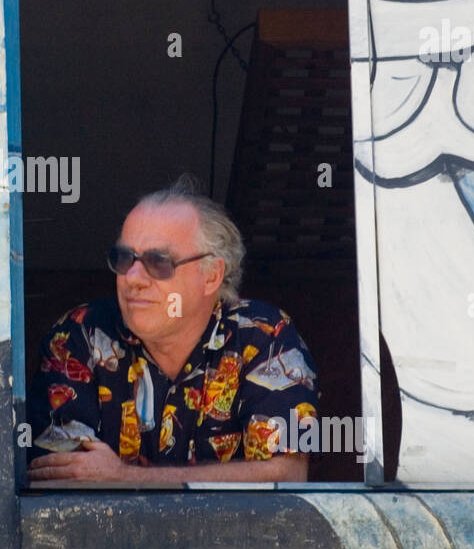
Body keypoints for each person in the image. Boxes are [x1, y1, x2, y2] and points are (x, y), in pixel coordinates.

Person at [26, 175, 317, 482]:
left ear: (211, 276)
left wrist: (125, 478)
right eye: (125, 259)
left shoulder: (264, 335)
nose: (133, 278)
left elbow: (286, 474)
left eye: (159, 261)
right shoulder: (79, 335)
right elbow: (63, 480)